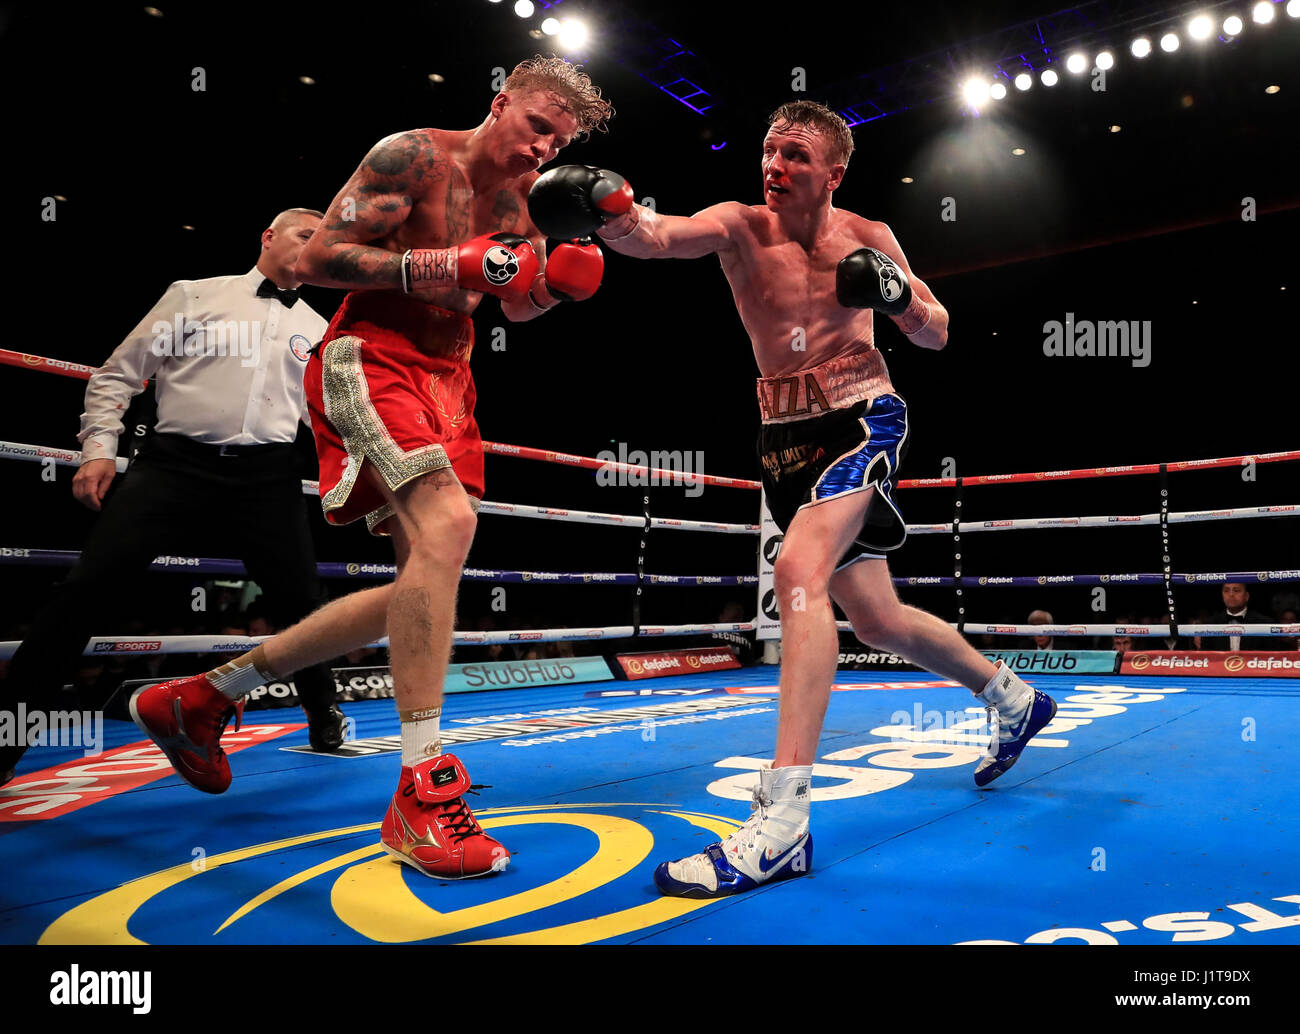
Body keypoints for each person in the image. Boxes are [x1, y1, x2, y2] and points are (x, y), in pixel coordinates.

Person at [527, 99, 1057, 898]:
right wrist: (613, 211)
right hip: (781, 438)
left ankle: (783, 822)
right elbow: (659, 238)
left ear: (834, 173)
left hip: (862, 419)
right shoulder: (740, 225)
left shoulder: (871, 236)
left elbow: (938, 331)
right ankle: (1012, 698)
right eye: (769, 152)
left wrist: (898, 297)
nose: (775, 167)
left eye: (795, 157)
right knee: (875, 618)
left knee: (799, 575)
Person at [125, 57, 613, 881]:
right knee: (451, 527)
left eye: (558, 142)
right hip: (371, 354)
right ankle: (422, 791)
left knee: (423, 579)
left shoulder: (525, 207)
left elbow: (511, 299)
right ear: (499, 102)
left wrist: (555, 289)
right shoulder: (414, 157)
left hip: (450, 378)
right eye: (536, 126)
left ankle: (205, 693)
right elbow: (316, 258)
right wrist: (441, 263)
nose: (541, 150)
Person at [0, 209, 346, 787]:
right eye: (304, 233)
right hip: (174, 465)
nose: (314, 246)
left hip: (268, 476)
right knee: (84, 591)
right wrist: (98, 449)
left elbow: (330, 423)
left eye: (325, 241)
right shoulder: (193, 295)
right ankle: (7, 738)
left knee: (301, 601)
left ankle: (323, 712)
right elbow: (118, 375)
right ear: (267, 236)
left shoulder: (320, 329)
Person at [1198, 582, 1273, 650]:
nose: (1231, 594)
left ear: (1246, 596)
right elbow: (1207, 658)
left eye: (1236, 590)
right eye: (1226, 591)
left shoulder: (1264, 623)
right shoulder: (1210, 624)